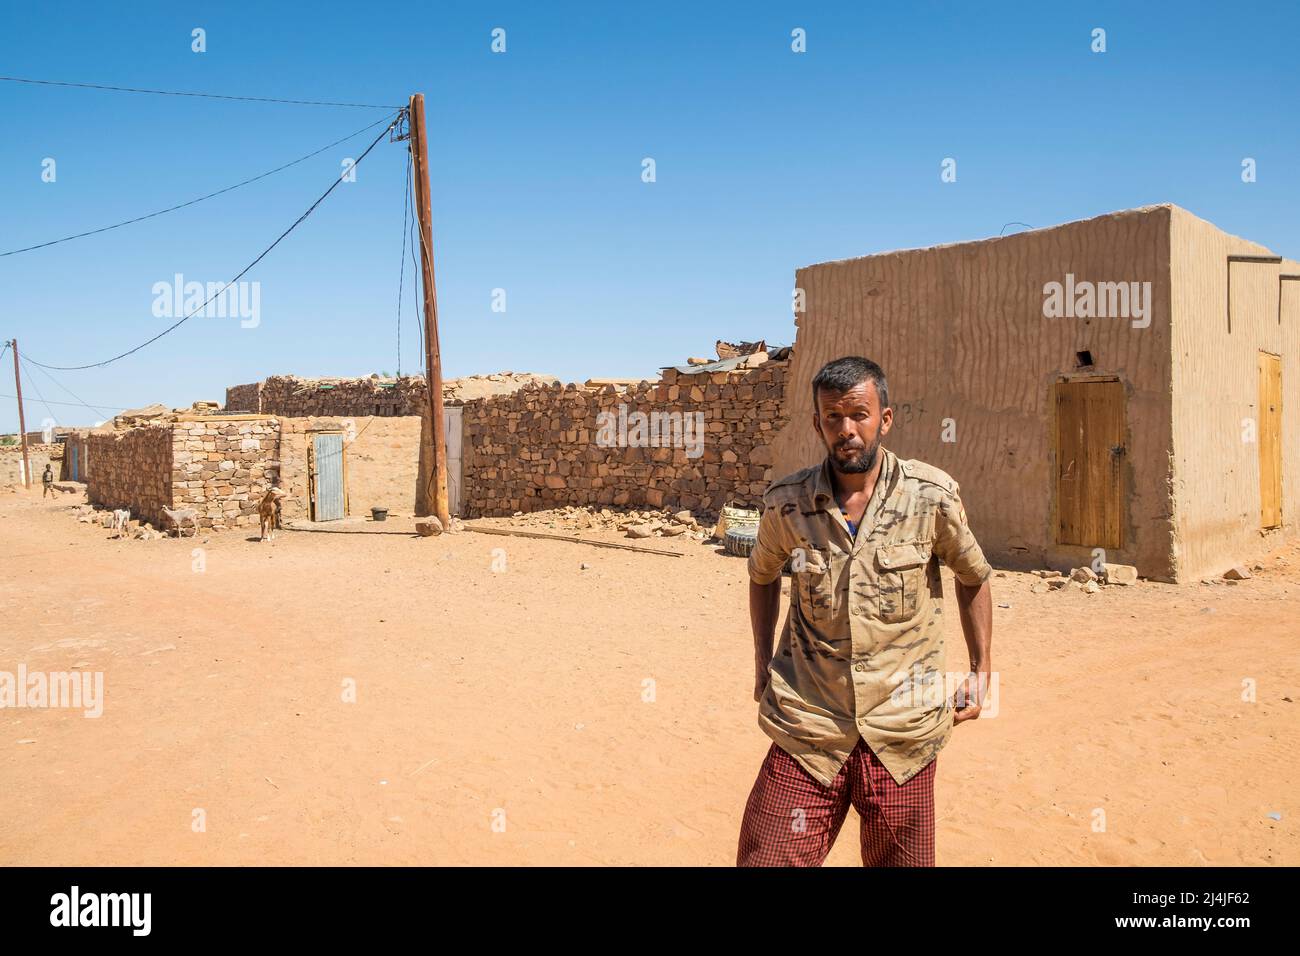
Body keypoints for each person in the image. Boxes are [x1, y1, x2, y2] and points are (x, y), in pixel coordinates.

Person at [737, 355, 993, 867]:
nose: (846, 430)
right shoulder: (786, 504)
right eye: (833, 417)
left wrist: (983, 671)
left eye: (859, 414)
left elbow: (974, 575)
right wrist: (762, 660)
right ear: (817, 423)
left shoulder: (931, 497)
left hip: (903, 733)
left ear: (885, 418)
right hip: (809, 727)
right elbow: (762, 575)